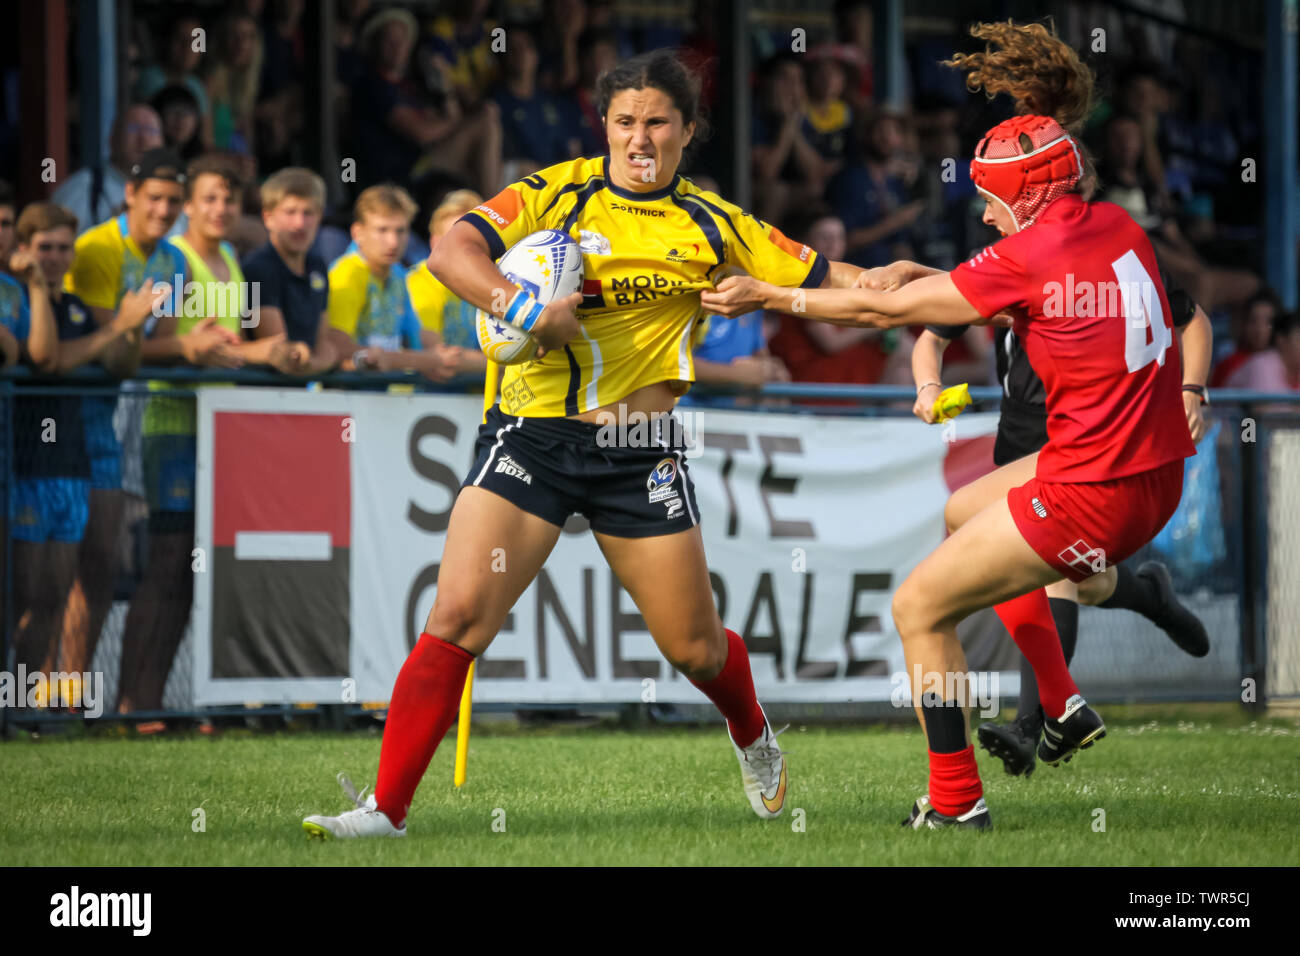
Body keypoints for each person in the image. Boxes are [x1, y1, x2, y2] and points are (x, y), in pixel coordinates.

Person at [303, 49, 862, 839]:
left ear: (687, 131)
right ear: (604, 125)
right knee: (458, 614)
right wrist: (523, 309)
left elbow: (840, 281)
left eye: (657, 122)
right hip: (531, 438)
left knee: (696, 650)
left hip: (640, 448)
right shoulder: (550, 194)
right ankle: (384, 812)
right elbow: (452, 252)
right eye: (625, 121)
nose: (639, 137)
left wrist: (947, 292)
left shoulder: (715, 222)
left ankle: (753, 732)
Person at [702, 21, 1197, 828]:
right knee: (964, 509)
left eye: (994, 201)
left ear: (1029, 195)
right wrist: (934, 276)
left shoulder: (1028, 253)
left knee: (918, 608)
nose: (988, 215)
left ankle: (957, 804)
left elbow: (876, 307)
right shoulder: (1118, 227)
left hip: (1092, 489)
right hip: (1153, 472)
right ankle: (1086, 666)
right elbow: (1030, 284)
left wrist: (771, 294)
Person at [909, 250, 1212, 776]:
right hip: (1022, 440)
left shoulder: (1112, 256)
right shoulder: (1004, 265)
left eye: (994, 200)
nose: (986, 217)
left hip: (1091, 445)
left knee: (1046, 577)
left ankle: (1035, 722)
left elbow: (1193, 320)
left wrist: (1193, 390)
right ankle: (1149, 598)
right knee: (1083, 581)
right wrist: (929, 389)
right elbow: (930, 335)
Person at [116, 155, 296, 718]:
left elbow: (228, 347)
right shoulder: (177, 260)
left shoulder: (231, 262)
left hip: (221, 432)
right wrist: (220, 350)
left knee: (194, 572)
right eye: (210, 198)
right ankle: (130, 704)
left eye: (230, 199)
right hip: (171, 426)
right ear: (189, 204)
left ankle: (155, 705)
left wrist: (259, 352)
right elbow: (140, 343)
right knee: (168, 563)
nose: (220, 209)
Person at [10, 203, 160, 681]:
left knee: (54, 594)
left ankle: (28, 705)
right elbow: (48, 358)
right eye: (45, 248)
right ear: (25, 250)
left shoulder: (75, 307)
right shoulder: (17, 299)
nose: (55, 258)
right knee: (20, 594)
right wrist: (117, 325)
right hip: (25, 462)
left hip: (71, 463)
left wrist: (132, 326)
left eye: (63, 248)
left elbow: (119, 366)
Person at [326, 185, 457, 381]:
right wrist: (424, 361)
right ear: (357, 232)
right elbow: (336, 348)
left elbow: (419, 339)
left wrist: (443, 358)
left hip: (382, 393)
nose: (393, 242)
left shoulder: (398, 274)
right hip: (342, 395)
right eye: (382, 230)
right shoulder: (347, 274)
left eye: (401, 230)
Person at [241, 167, 338, 375]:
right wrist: (320, 363)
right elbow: (285, 355)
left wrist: (315, 363)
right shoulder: (258, 269)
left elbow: (326, 344)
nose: (299, 223)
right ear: (268, 218)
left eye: (308, 213)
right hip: (262, 393)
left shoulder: (317, 265)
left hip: (301, 391)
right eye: (290, 212)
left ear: (320, 217)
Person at [405, 189, 487, 381]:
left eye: (470, 239)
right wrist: (505, 364)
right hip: (419, 395)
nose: (461, 247)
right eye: (452, 237)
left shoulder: (487, 280)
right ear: (434, 241)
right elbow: (439, 356)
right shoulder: (421, 280)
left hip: (469, 394)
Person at [50, 105, 166, 236]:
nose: (143, 139)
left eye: (151, 131)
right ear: (112, 138)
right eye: (133, 129)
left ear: (162, 142)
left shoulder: (173, 192)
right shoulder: (83, 187)